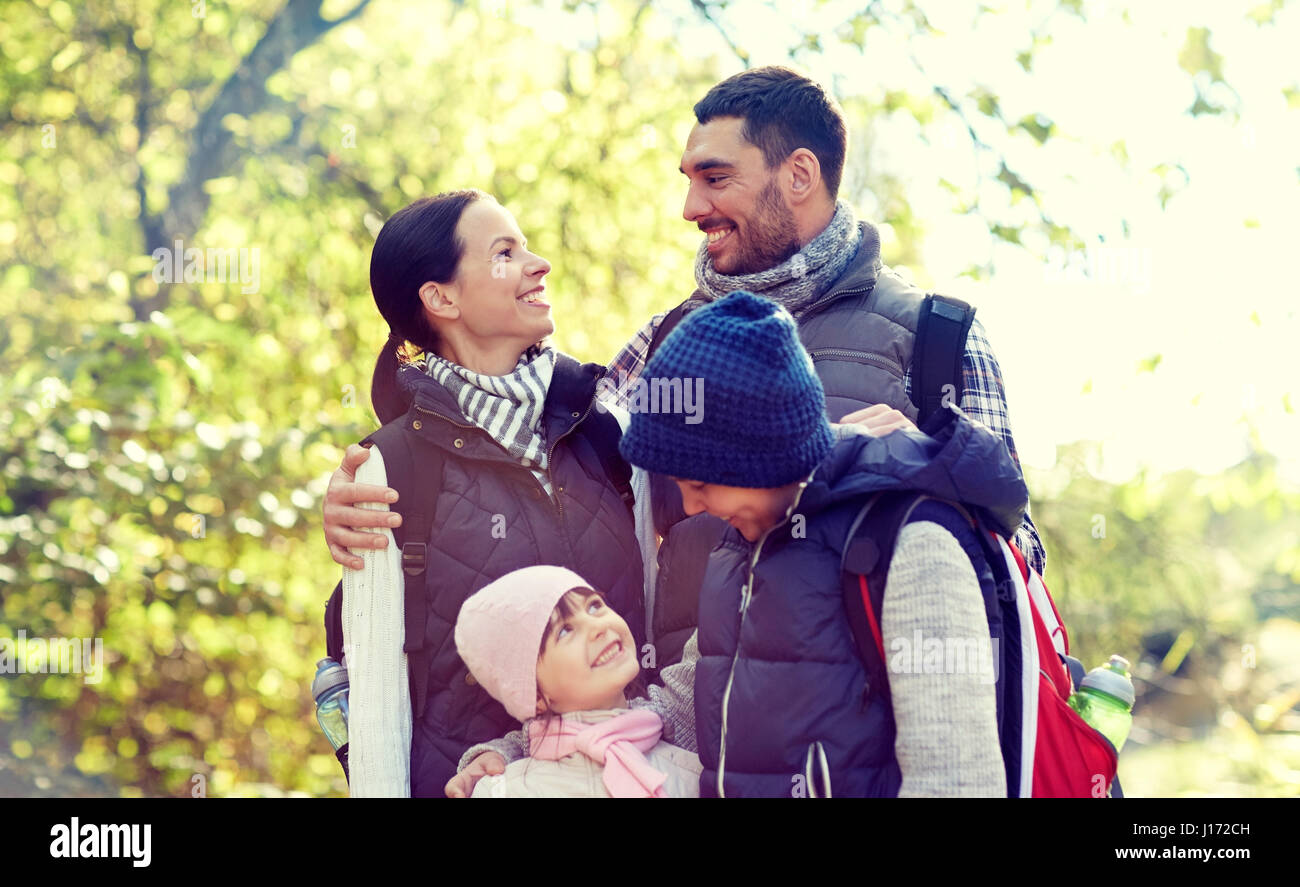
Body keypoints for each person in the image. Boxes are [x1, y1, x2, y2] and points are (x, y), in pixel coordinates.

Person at [323, 66, 1044, 681]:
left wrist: (880, 462)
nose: (691, 207)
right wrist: (360, 503)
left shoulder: (936, 338)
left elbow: (1016, 556)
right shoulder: (662, 345)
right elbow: (545, 460)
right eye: (689, 179)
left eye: (716, 178)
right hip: (692, 753)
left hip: (881, 753)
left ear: (799, 175)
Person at [615, 291, 1024, 796]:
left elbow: (956, 781)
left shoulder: (912, 542)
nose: (692, 507)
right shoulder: (738, 549)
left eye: (699, 484)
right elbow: (678, 709)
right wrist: (525, 751)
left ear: (759, 455)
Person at [342, 189, 656, 797]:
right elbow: (376, 695)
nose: (539, 265)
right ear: (441, 298)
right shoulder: (388, 471)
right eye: (505, 253)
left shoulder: (604, 427)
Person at [453, 565, 701, 798]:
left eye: (594, 606)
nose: (597, 625)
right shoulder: (504, 791)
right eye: (564, 631)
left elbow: (712, 652)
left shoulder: (694, 771)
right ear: (535, 696)